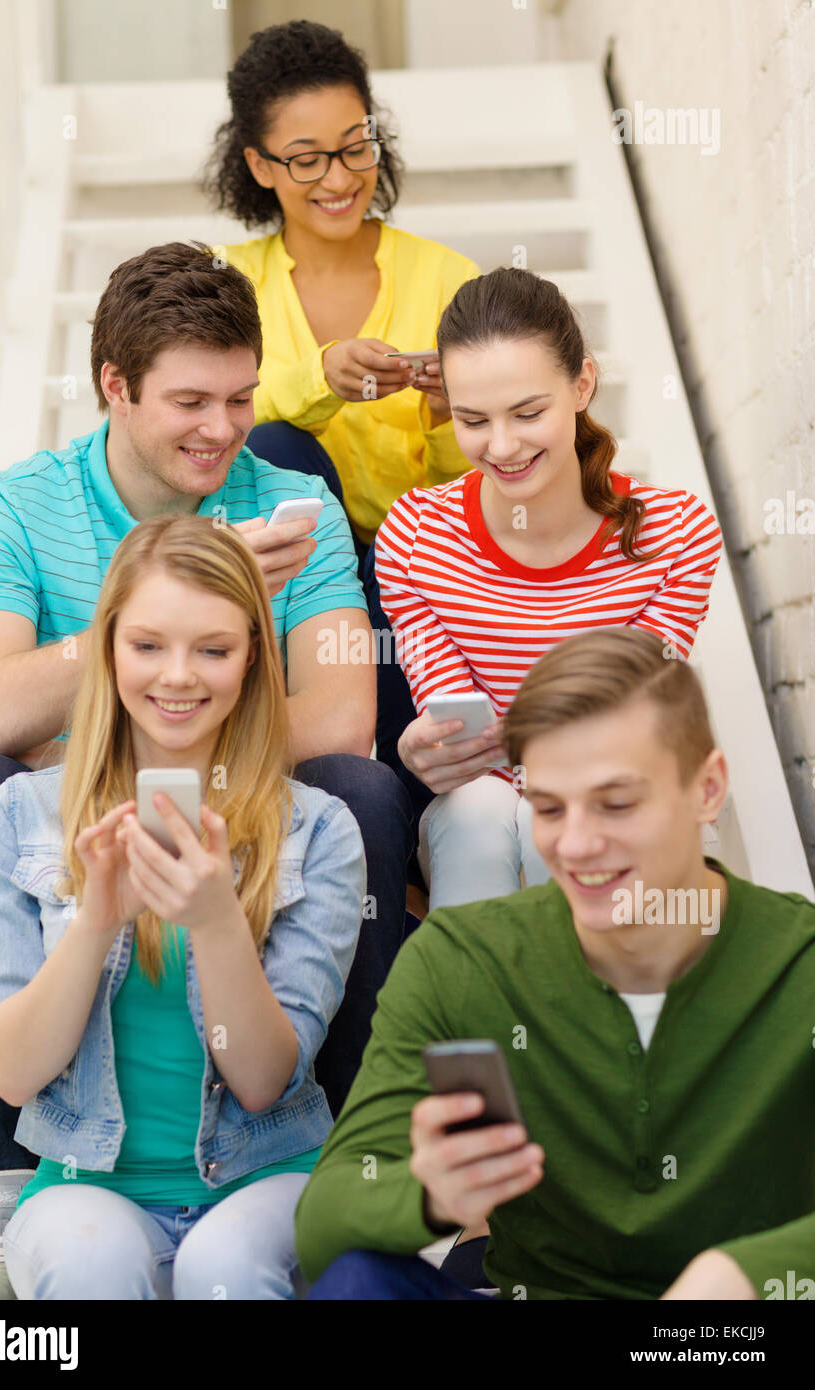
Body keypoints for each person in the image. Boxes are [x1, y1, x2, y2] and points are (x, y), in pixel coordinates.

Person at [0, 241, 412, 1295]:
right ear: (114, 385)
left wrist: (184, 751)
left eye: (241, 397)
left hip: (262, 812)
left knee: (362, 795)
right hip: (67, 821)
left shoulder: (297, 505)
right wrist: (170, 591)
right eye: (192, 400)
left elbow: (335, 721)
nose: (223, 429)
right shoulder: (14, 505)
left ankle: (341, 1154)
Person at [294, 626, 815, 1301]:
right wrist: (426, 1192)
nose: (576, 845)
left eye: (616, 802)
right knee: (358, 1284)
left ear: (707, 788)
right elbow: (323, 1224)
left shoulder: (796, 961)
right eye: (547, 806)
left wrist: (743, 1274)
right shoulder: (464, 958)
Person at [0, 515, 366, 1300]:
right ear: (108, 649)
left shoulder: (319, 829)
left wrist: (216, 922)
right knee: (91, 1264)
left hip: (267, 1176)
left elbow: (262, 1082)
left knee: (226, 1269)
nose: (178, 676)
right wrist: (96, 922)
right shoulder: (15, 817)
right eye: (148, 645)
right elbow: (10, 1073)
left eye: (213, 649)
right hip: (85, 1183)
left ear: (252, 659)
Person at [373, 266, 723, 909]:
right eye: (473, 420)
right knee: (477, 806)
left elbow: (618, 723)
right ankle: (479, 1008)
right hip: (480, 811)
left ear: (582, 383)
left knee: (559, 818)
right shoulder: (417, 534)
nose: (501, 446)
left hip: (617, 790)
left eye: (528, 412)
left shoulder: (674, 532)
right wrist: (424, 751)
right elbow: (459, 724)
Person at [205, 18, 480, 553]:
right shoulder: (220, 282)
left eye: (357, 148)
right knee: (273, 444)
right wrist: (318, 378)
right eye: (307, 160)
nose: (339, 179)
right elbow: (193, 419)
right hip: (277, 565)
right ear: (261, 166)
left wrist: (453, 415)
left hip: (425, 563)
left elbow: (483, 485)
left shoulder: (452, 281)